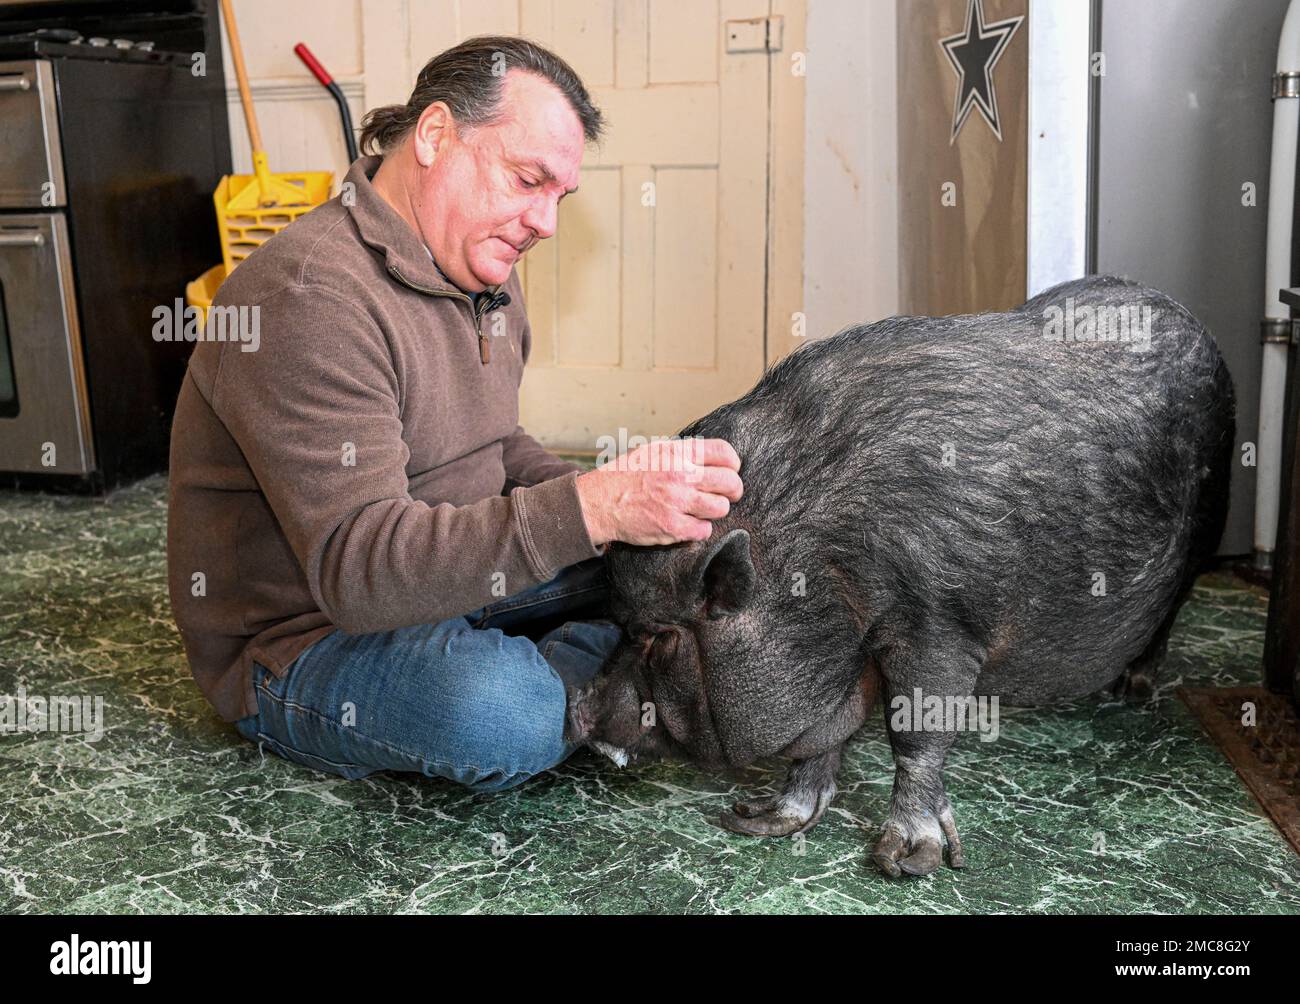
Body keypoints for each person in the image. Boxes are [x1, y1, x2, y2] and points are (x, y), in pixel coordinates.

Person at [166, 35, 743, 791]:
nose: (546, 223)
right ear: (436, 135)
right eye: (528, 179)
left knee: (672, 557)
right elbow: (361, 573)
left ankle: (586, 667)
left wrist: (624, 501)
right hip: (308, 633)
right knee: (499, 712)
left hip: (451, 572)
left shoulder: (483, 273)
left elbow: (497, 443)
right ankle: (590, 675)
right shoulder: (308, 299)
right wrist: (593, 512)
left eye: (559, 197)